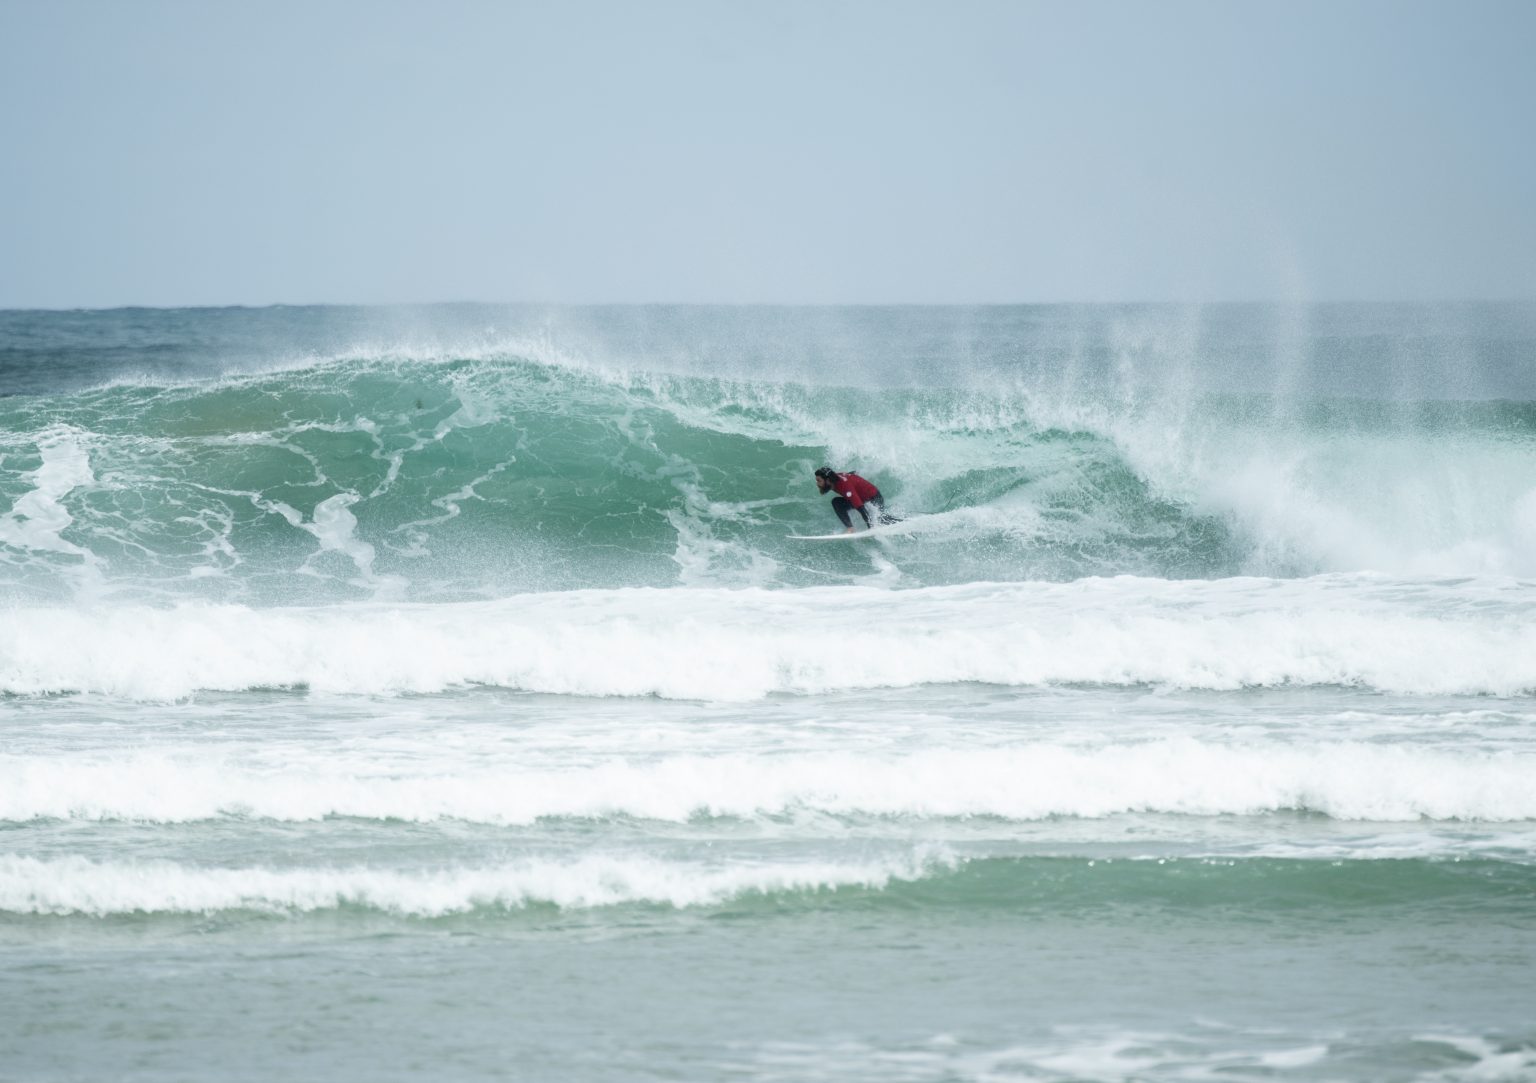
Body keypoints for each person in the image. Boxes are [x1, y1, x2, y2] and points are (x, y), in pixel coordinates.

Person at [814, 466, 898, 533]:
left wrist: (871, 530)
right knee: (836, 502)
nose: (817, 484)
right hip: (862, 498)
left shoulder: (845, 487)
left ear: (828, 480)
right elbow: (849, 475)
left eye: (819, 481)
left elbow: (861, 509)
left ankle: (900, 522)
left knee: (880, 519)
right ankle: (850, 528)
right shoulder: (834, 480)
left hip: (874, 498)